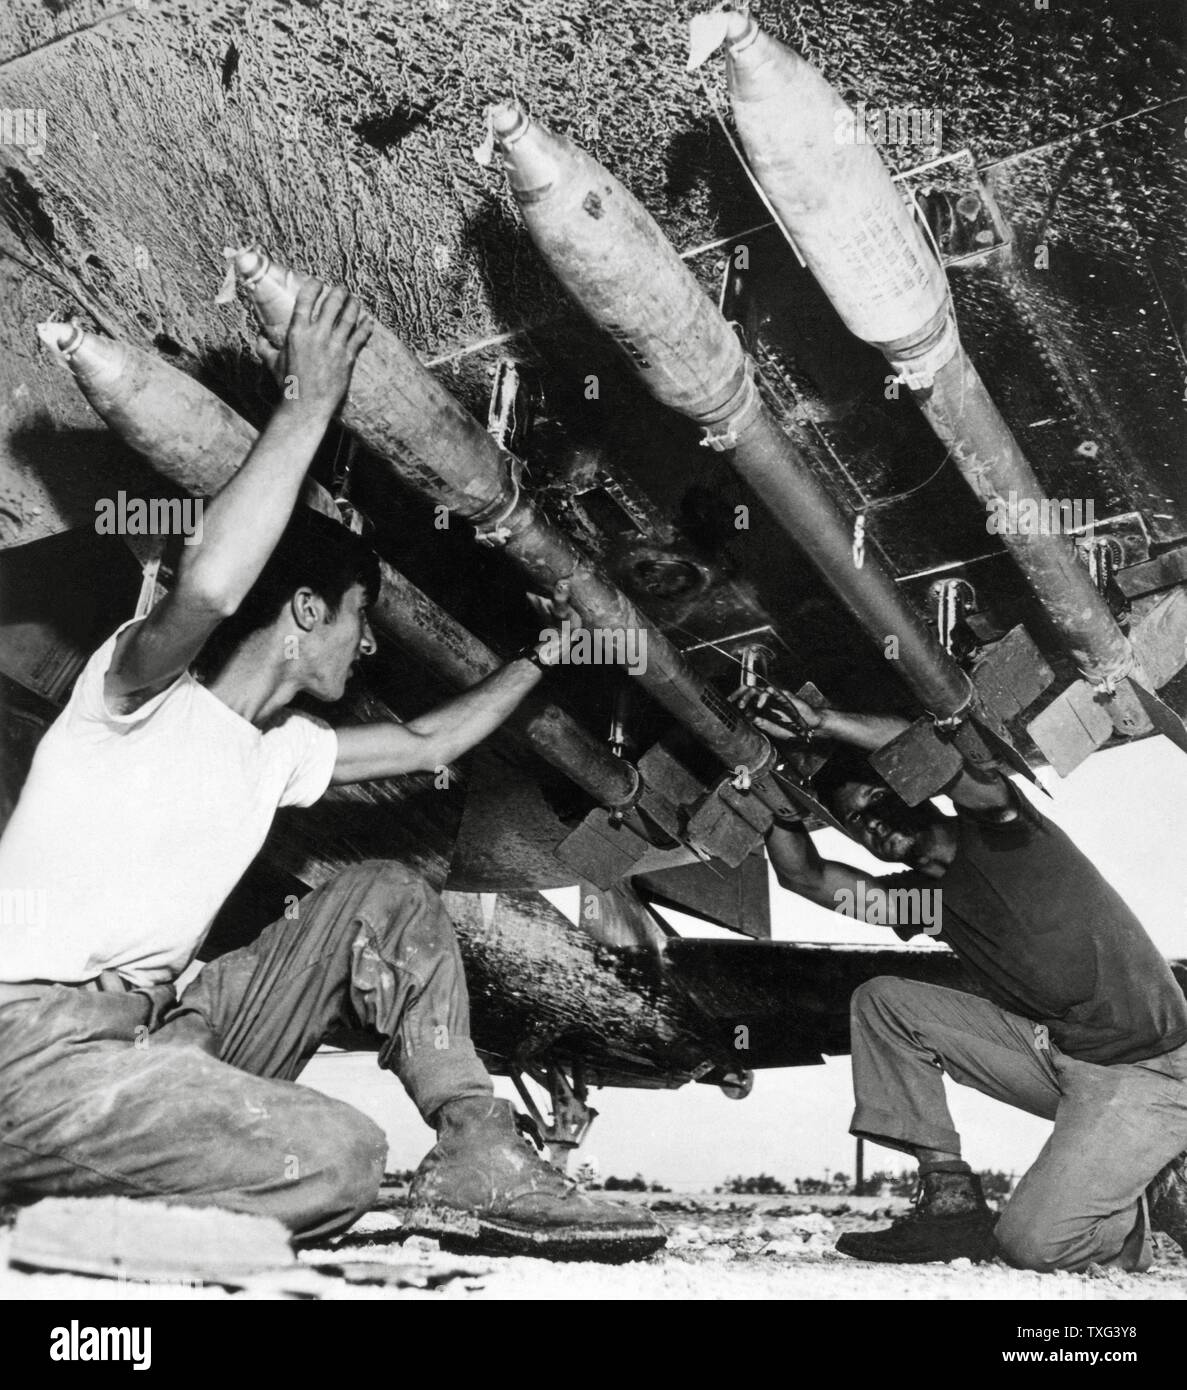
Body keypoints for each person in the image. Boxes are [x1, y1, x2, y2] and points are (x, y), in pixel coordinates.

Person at [0, 279, 663, 1262]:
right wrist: (309, 397)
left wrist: (541, 660)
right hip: (31, 1046)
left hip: (153, 1036)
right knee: (338, 1157)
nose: (364, 653)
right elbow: (214, 583)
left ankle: (479, 1151)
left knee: (387, 894)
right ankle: (60, 1222)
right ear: (307, 611)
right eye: (358, 621)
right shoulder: (128, 695)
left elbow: (432, 743)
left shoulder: (273, 757)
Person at [743, 685, 1187, 1271]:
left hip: (1150, 1072)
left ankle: (1151, 1184)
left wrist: (823, 719)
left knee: (1032, 1247)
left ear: (914, 791)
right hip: (1062, 1056)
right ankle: (950, 1201)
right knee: (884, 1004)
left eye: (879, 800)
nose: (870, 823)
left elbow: (952, 765)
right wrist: (763, 784)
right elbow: (808, 877)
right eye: (855, 821)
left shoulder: (1007, 834)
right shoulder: (922, 903)